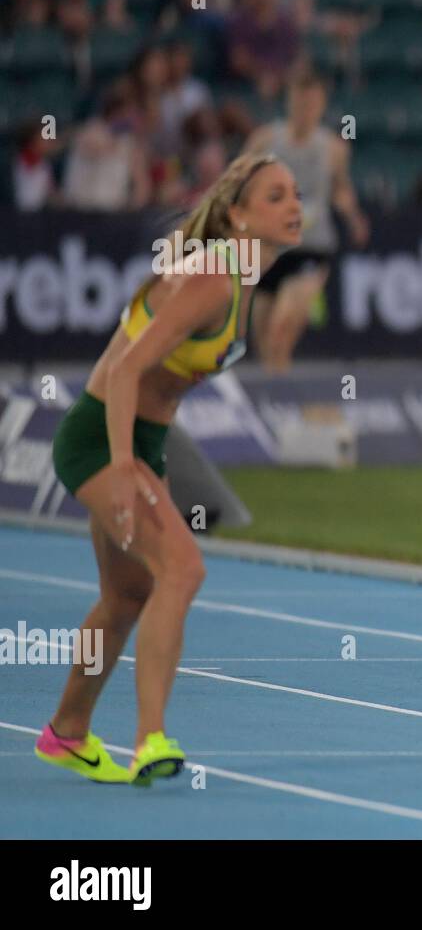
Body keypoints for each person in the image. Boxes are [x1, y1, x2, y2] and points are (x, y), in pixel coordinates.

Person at [39, 152, 302, 784]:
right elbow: (127, 368)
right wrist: (128, 466)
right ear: (236, 213)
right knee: (182, 567)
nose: (294, 205)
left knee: (127, 594)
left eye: (295, 193)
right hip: (103, 440)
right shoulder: (212, 277)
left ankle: (66, 732)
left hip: (140, 440)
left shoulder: (239, 280)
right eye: (275, 196)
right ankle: (150, 740)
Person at [244, 69, 368, 373]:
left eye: (311, 104)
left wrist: (353, 217)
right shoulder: (265, 141)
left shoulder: (334, 149)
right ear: (290, 103)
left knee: (282, 325)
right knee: (264, 337)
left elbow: (341, 188)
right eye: (300, 103)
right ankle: (275, 394)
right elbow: (238, 181)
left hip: (311, 247)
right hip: (269, 249)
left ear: (321, 105)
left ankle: (282, 398)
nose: (305, 111)